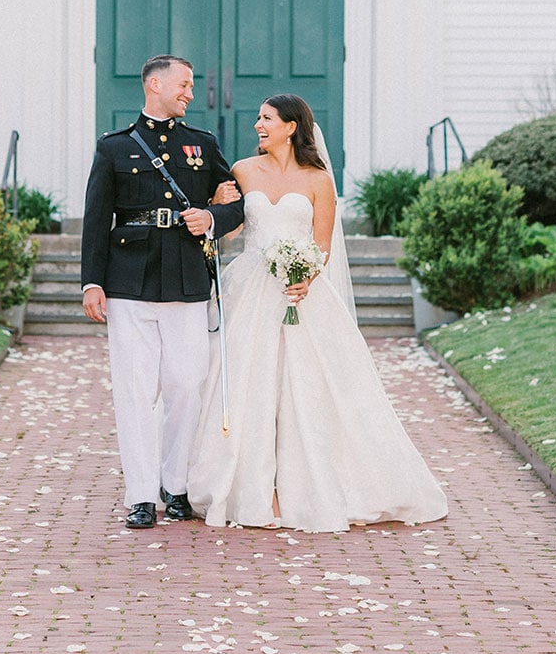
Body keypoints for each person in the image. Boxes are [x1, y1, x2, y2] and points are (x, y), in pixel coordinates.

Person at [187, 94, 448, 533]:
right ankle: (251, 488)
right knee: (247, 387)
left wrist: (305, 276)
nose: (257, 125)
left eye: (266, 118)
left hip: (299, 294)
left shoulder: (318, 180)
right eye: (257, 118)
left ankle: (307, 484)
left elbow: (322, 244)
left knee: (305, 391)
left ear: (291, 127)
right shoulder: (242, 171)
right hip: (249, 288)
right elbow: (230, 229)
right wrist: (216, 207)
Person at [81, 55, 244, 529]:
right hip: (129, 282)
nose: (191, 92)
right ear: (155, 83)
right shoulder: (113, 148)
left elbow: (238, 202)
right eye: (184, 84)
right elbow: (96, 219)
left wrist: (212, 218)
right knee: (134, 391)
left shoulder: (202, 144)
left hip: (187, 281)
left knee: (186, 386)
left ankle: (175, 487)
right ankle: (141, 496)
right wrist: (92, 281)